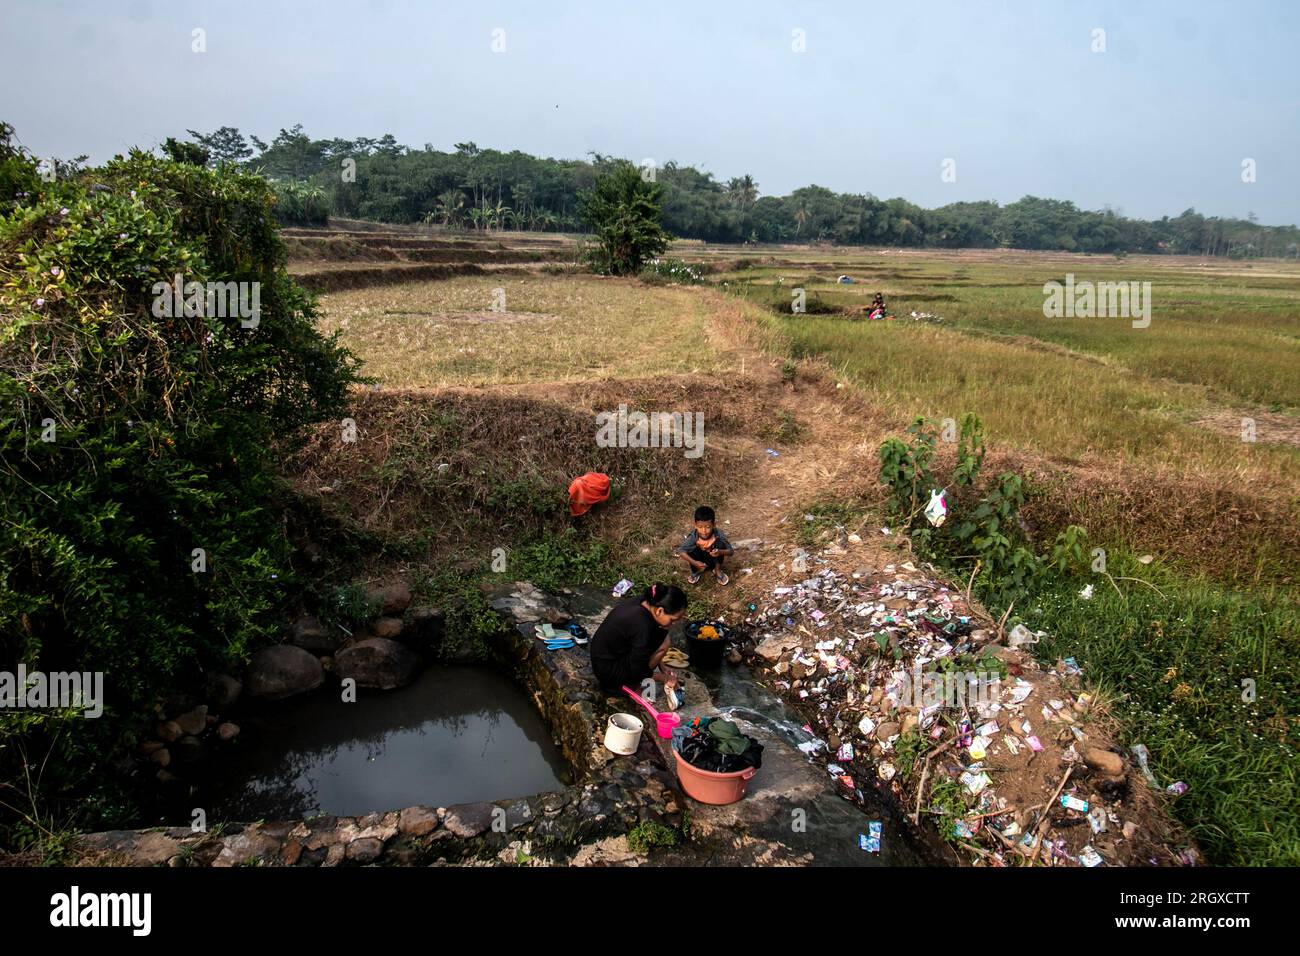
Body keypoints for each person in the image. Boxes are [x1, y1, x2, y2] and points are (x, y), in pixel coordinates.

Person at [589, 583, 688, 694]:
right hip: (609, 673)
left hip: (606, 657)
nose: (674, 623)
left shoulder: (646, 602)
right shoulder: (642, 625)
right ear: (659, 611)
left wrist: (662, 666)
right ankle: (631, 686)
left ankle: (633, 680)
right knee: (663, 643)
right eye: (673, 619)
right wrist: (665, 678)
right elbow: (638, 668)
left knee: (663, 636)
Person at [674, 505, 734, 586]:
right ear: (695, 525)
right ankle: (696, 571)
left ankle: (717, 570)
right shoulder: (693, 536)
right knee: (690, 550)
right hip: (699, 560)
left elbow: (731, 552)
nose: (704, 531)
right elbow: (681, 551)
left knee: (719, 544)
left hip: (714, 559)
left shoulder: (718, 534)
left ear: (714, 525)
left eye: (708, 527)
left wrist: (720, 552)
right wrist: (694, 562)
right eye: (700, 527)